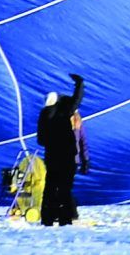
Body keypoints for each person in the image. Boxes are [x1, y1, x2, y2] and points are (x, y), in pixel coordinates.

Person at [36, 75, 89, 225]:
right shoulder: (64, 113)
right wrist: (80, 84)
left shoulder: (43, 116)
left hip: (51, 156)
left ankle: (48, 218)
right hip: (67, 156)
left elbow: (40, 140)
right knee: (65, 188)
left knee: (50, 187)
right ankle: (65, 218)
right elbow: (77, 100)